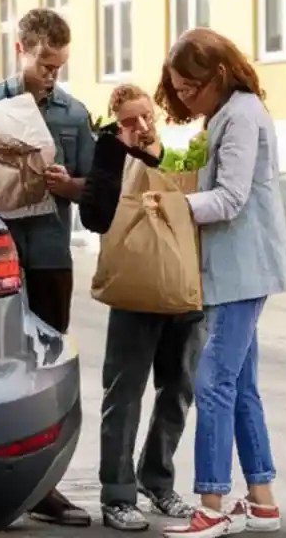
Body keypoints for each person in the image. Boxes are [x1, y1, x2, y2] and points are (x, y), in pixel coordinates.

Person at [153, 29, 286, 538]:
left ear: (218, 75)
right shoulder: (232, 111)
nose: (184, 98)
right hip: (241, 267)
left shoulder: (240, 114)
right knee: (239, 385)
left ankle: (212, 506)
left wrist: (174, 206)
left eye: (190, 88)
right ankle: (261, 500)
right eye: (177, 90)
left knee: (213, 384)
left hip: (244, 267)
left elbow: (230, 198)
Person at [0, 7, 95, 528]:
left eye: (59, 66)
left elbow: (91, 188)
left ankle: (46, 488)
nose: (52, 75)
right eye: (45, 64)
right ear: (22, 50)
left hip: (52, 256)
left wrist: (68, 186)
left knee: (49, 368)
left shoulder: (74, 114)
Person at [79, 84, 205, 532]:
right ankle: (117, 494)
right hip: (135, 292)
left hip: (182, 290)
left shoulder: (173, 160)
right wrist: (118, 152)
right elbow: (94, 216)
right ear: (117, 122)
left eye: (147, 116)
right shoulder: (110, 157)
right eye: (131, 120)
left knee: (179, 388)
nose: (143, 126)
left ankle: (158, 481)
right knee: (124, 393)